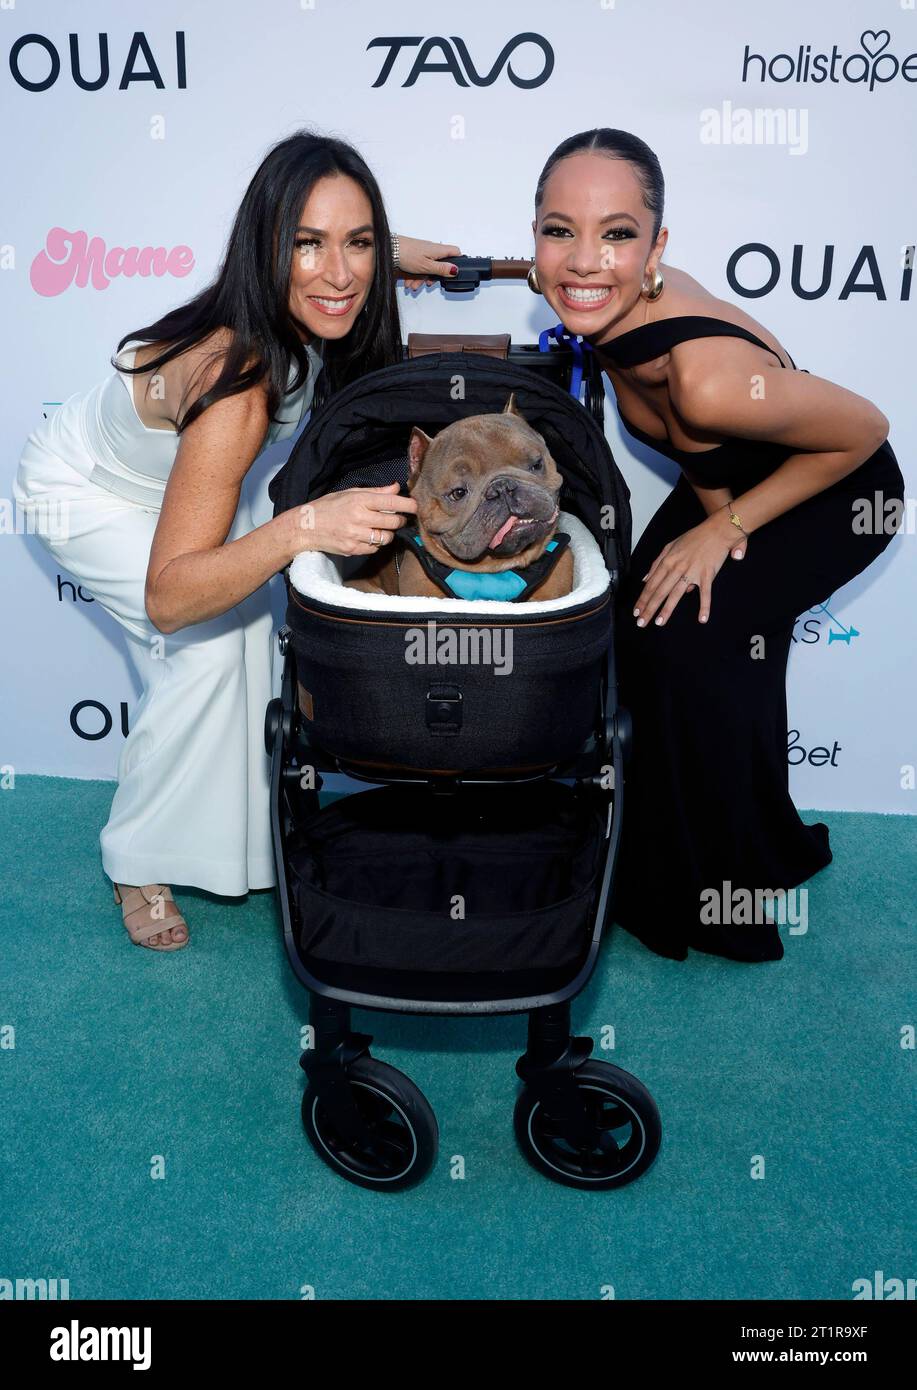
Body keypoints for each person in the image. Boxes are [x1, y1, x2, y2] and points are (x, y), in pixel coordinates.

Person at [14, 129, 460, 951]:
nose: (340, 272)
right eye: (309, 245)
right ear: (269, 248)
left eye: (356, 242)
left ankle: (234, 840)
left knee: (255, 623)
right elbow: (170, 598)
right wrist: (303, 526)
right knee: (206, 647)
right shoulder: (237, 386)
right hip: (84, 489)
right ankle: (135, 858)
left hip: (182, 487)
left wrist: (393, 253)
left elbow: (336, 263)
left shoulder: (321, 288)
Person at [527, 127, 905, 962]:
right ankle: (717, 846)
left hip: (837, 486)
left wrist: (724, 531)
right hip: (732, 474)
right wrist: (402, 254)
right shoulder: (596, 291)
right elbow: (699, 451)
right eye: (559, 230)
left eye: (616, 234)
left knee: (699, 638)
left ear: (655, 246)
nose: (583, 260)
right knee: (645, 619)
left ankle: (723, 891)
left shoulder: (706, 377)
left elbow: (867, 431)